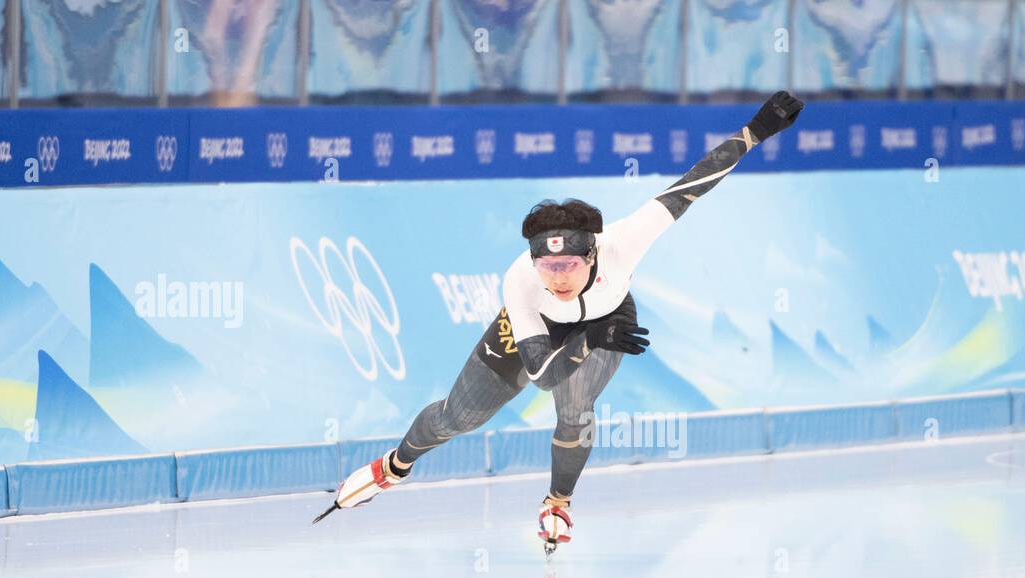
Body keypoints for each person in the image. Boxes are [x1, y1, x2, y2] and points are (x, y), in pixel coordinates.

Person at [315, 91, 805, 553]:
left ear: (592, 254)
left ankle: (557, 505)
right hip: (549, 335)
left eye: (568, 265)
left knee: (575, 410)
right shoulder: (521, 284)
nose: (558, 277)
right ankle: (394, 467)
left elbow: (692, 186)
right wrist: (584, 336)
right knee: (458, 418)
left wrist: (754, 132)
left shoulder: (625, 240)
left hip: (609, 318)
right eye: (547, 267)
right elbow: (543, 376)